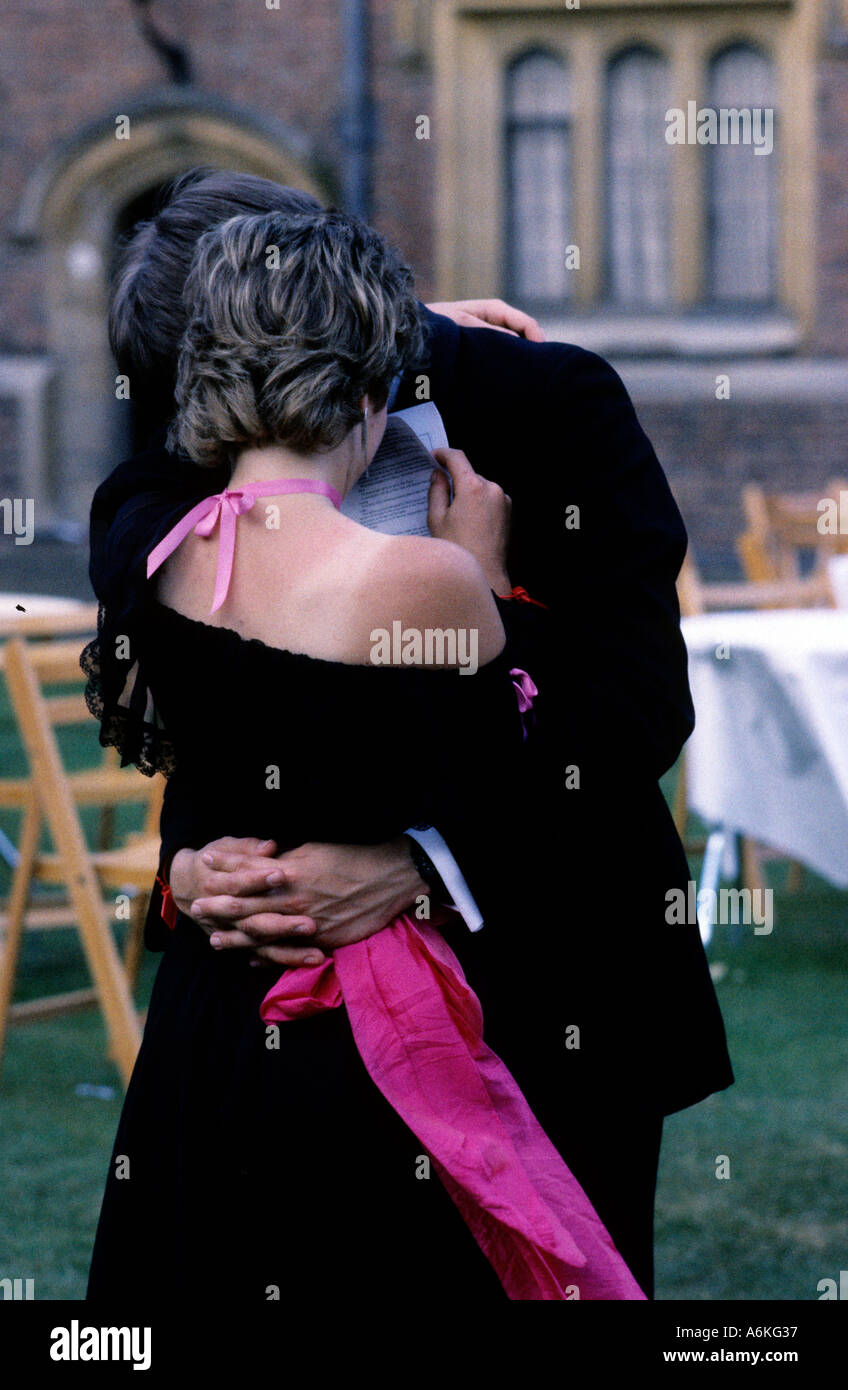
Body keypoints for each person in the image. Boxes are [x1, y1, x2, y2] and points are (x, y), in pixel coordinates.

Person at [85, 169, 734, 1300]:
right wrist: (194, 869)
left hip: (549, 976)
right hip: (272, 1000)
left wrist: (420, 863)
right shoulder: (165, 450)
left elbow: (635, 700)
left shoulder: (545, 401)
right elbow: (209, 684)